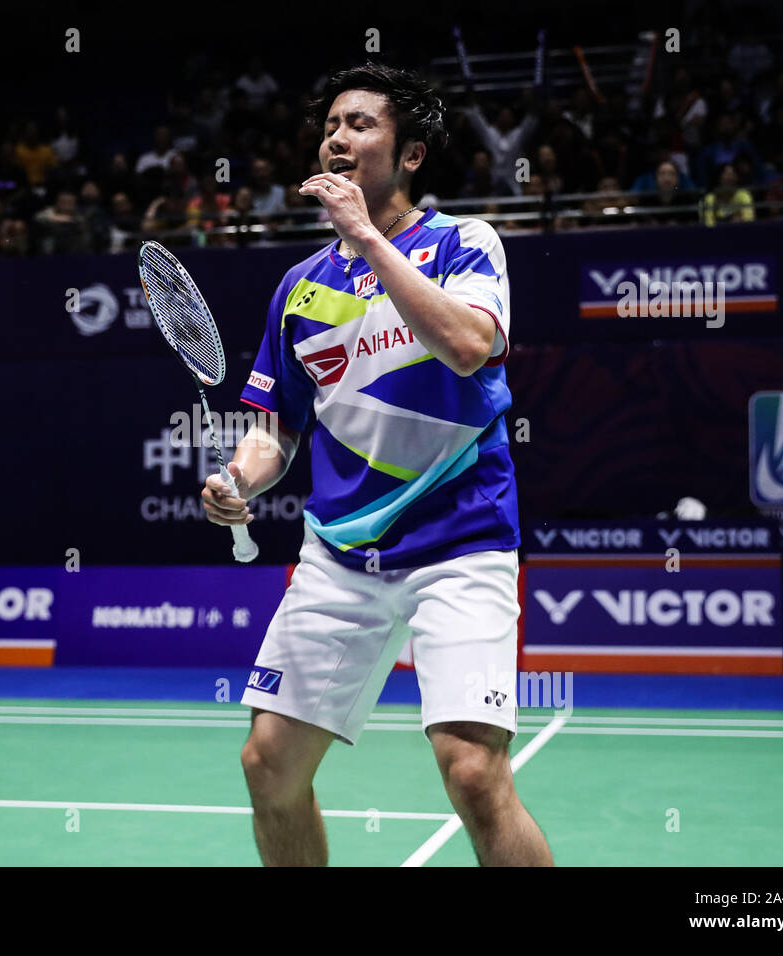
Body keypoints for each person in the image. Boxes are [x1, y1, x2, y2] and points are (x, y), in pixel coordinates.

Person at [202, 63, 550, 867]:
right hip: (340, 555)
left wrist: (366, 238)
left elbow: (468, 347)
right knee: (269, 767)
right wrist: (242, 480)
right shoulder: (298, 289)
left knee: (472, 772)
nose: (337, 136)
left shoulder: (464, 243)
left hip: (461, 541)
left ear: (413, 154)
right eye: (330, 125)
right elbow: (275, 432)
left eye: (360, 123)